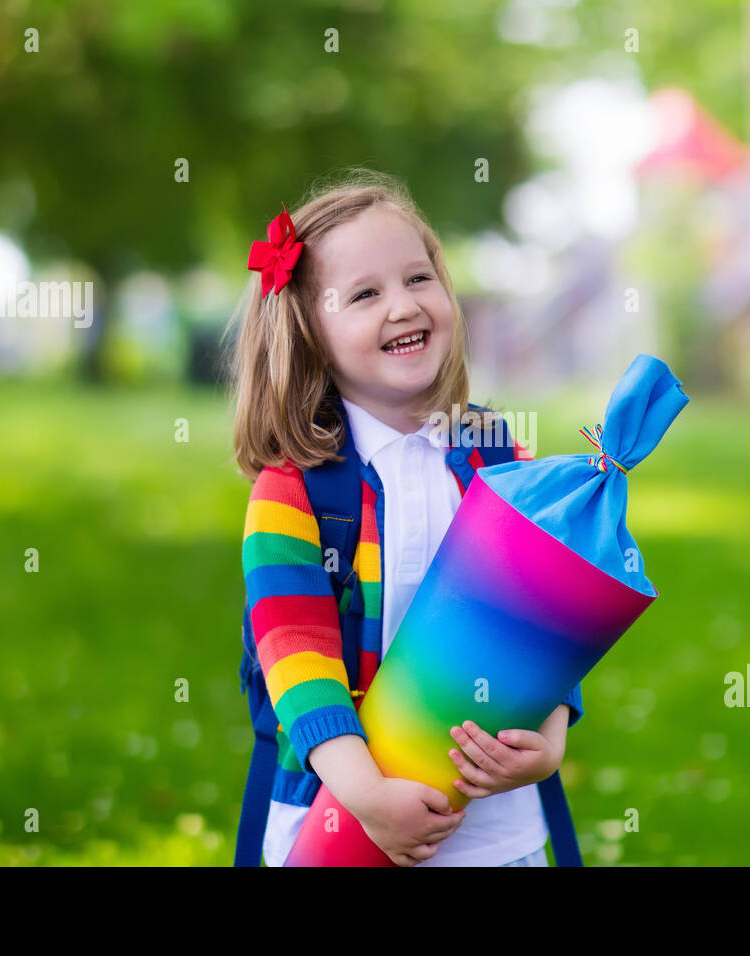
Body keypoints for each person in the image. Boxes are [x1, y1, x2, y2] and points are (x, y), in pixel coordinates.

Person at [228, 168, 583, 867]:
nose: (403, 306)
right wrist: (367, 797)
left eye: (418, 279)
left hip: (497, 836)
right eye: (365, 294)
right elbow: (297, 661)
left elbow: (544, 615)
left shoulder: (496, 452)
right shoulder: (294, 488)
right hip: (344, 824)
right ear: (309, 332)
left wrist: (549, 740)